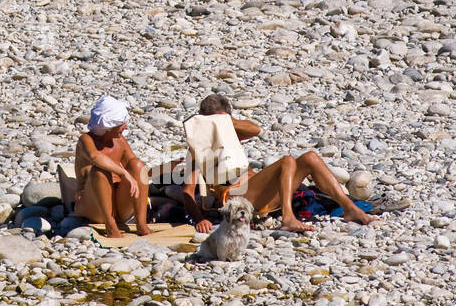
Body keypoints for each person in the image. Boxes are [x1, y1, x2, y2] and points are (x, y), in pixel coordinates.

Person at [154, 93, 374, 234]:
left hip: (261, 195)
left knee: (310, 158)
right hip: (239, 199)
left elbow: (255, 129)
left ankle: (350, 209)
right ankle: (288, 217)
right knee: (287, 160)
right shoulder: (199, 149)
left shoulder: (230, 136)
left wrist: (226, 122)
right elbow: (187, 191)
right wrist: (199, 219)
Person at [74, 96, 152, 238]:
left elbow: (138, 171)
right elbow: (95, 157)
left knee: (137, 164)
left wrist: (168, 168)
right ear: (108, 126)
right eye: (121, 123)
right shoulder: (86, 140)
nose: (126, 126)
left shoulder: (119, 140)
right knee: (100, 170)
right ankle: (110, 226)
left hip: (118, 204)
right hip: (94, 205)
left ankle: (142, 224)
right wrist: (124, 173)